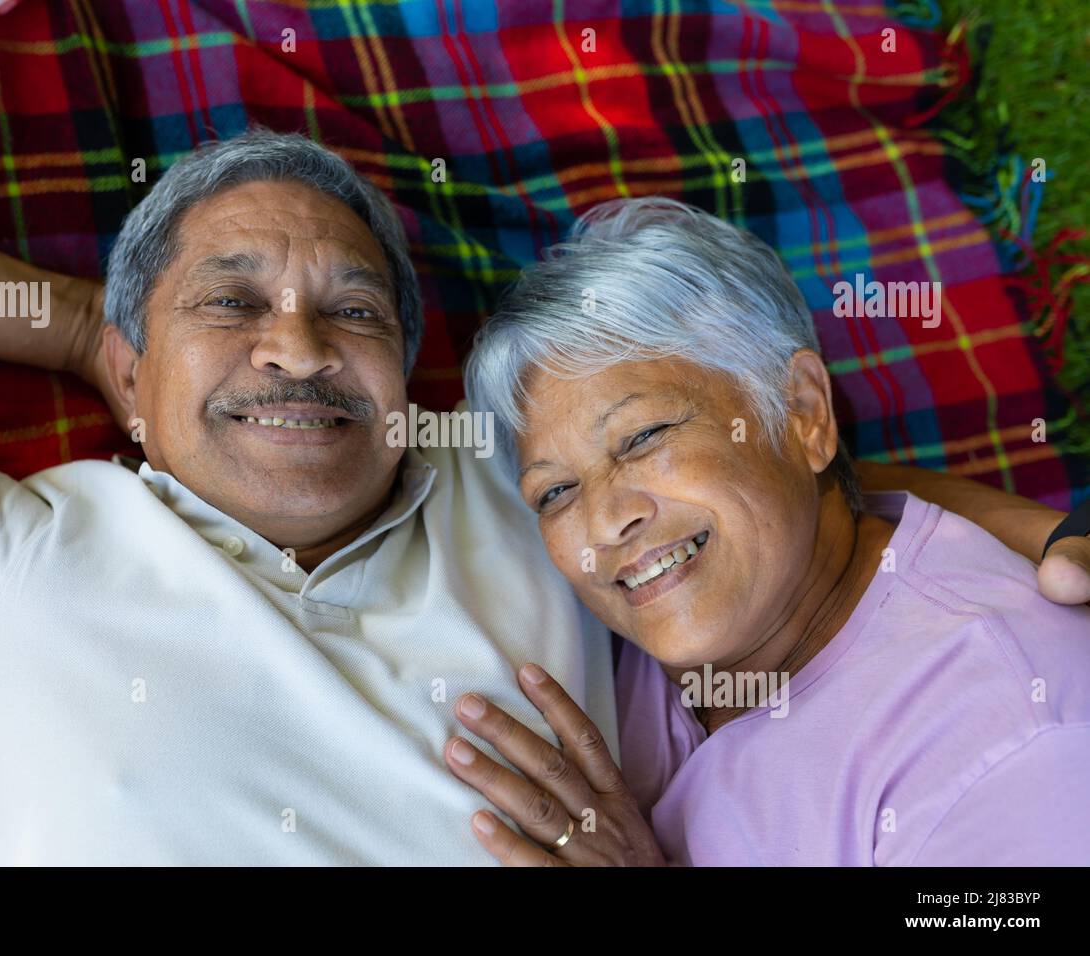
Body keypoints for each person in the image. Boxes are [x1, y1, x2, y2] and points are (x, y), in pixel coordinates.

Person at [0, 133, 1083, 864]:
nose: (295, 348)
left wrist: (1031, 550)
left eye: (352, 310)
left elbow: (744, 484)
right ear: (134, 368)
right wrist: (79, 329)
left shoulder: (520, 489)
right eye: (228, 303)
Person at [451, 196, 1090, 866]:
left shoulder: (1015, 744)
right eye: (555, 491)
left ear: (805, 413)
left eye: (643, 437)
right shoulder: (672, 596)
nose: (607, 521)